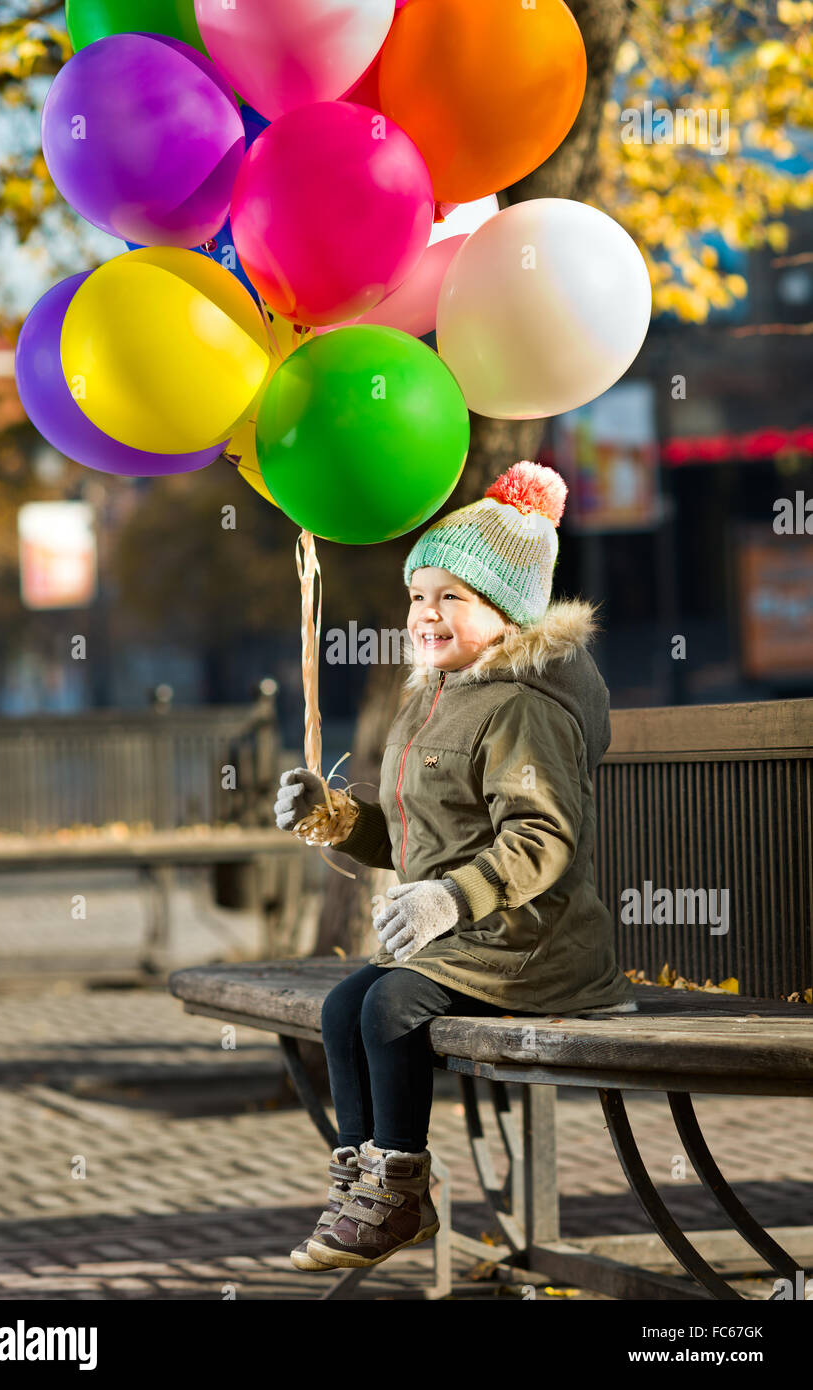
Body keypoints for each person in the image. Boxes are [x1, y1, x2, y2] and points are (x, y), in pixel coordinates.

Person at [274, 460, 636, 1273]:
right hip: (464, 942)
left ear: (506, 615)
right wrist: (331, 819)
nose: (426, 614)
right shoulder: (434, 695)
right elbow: (409, 840)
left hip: (529, 946)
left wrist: (448, 897)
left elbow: (542, 840)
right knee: (343, 1007)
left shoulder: (520, 708)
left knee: (390, 1005)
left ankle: (400, 1190)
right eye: (417, 596)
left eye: (452, 598)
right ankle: (363, 1183)